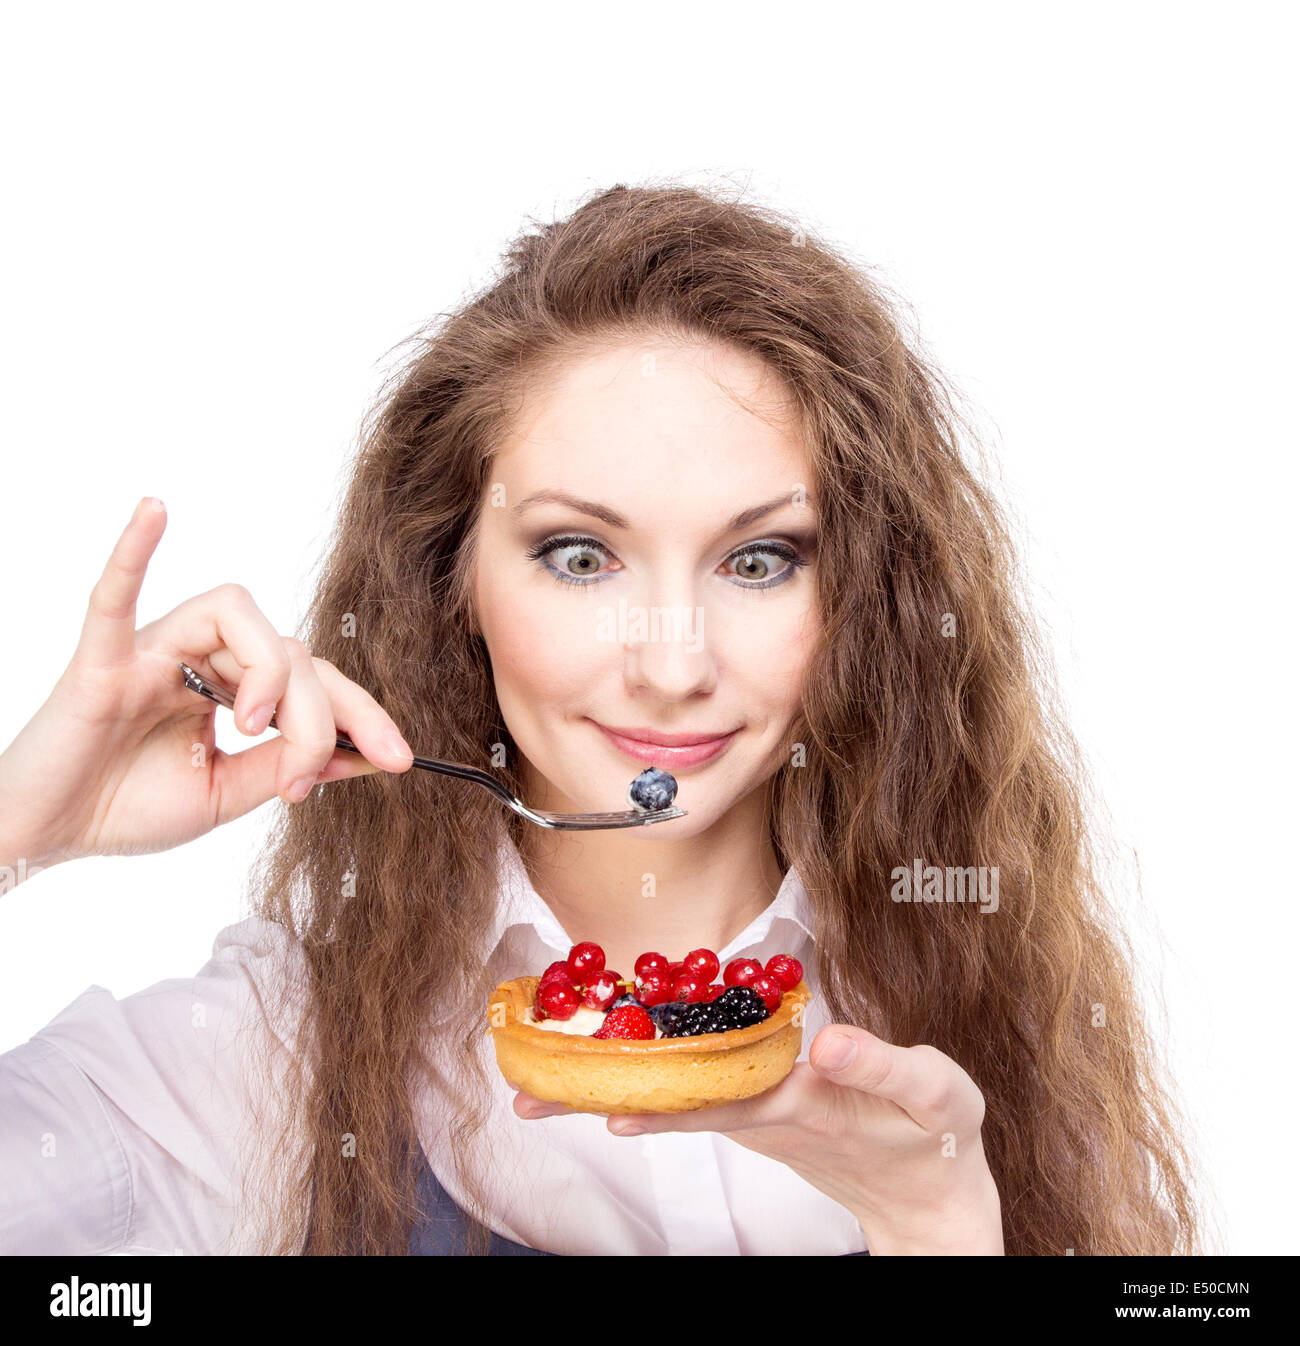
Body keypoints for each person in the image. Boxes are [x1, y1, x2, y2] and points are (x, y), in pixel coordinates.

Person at [0, 182, 1203, 1256]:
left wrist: (939, 1229)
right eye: (581, 556)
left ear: (863, 606)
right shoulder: (263, 1056)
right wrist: (22, 824)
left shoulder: (991, 1010)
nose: (671, 665)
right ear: (452, 582)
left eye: (760, 560)